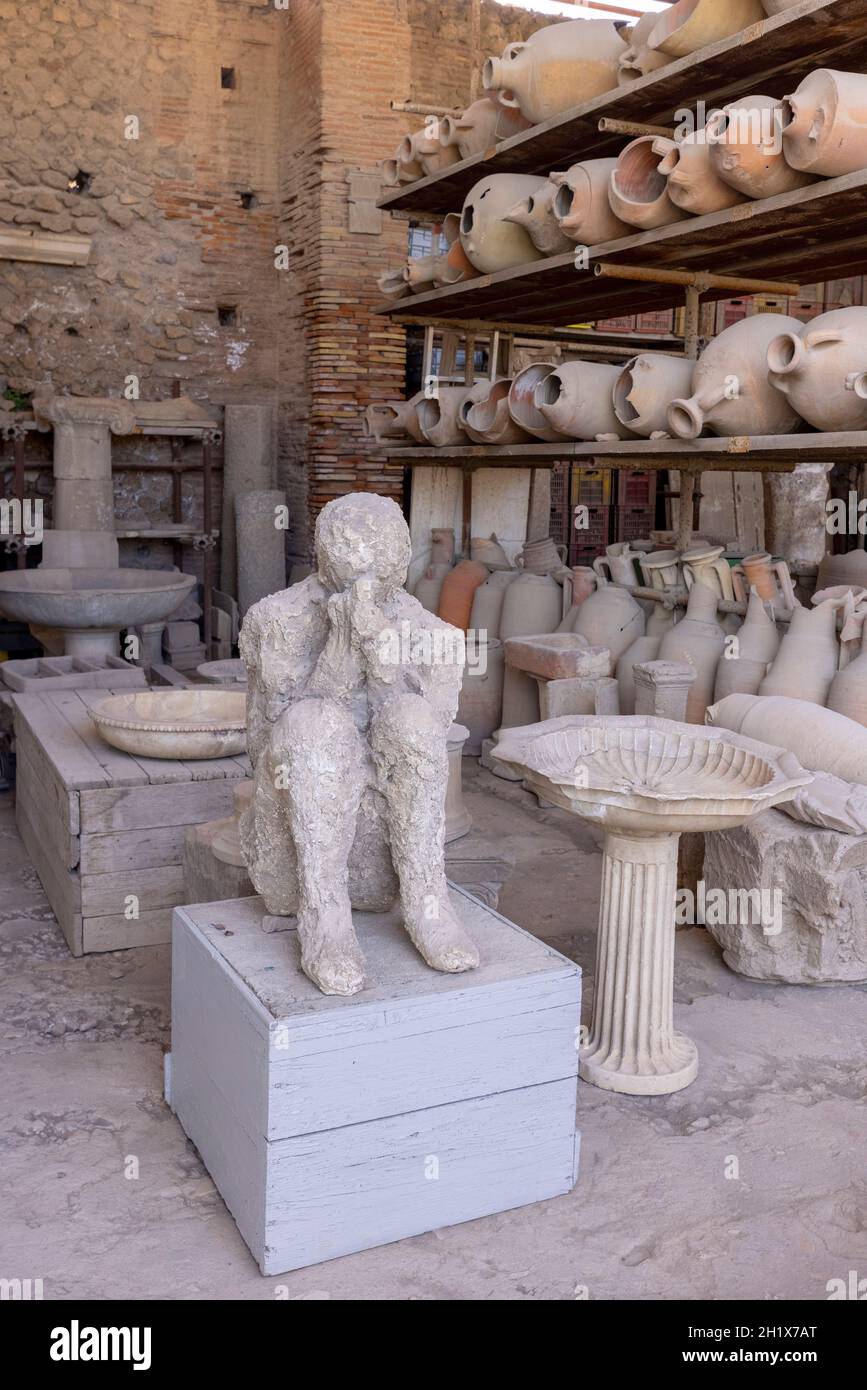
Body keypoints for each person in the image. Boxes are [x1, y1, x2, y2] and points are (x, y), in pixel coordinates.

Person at [239, 492, 479, 995]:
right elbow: (268, 742)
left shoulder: (436, 637)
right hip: (303, 811)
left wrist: (385, 661)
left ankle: (426, 899)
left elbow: (431, 743)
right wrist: (342, 655)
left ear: (402, 561)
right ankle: (325, 916)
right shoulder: (276, 620)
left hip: (380, 828)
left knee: (412, 718)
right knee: (315, 723)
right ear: (323, 560)